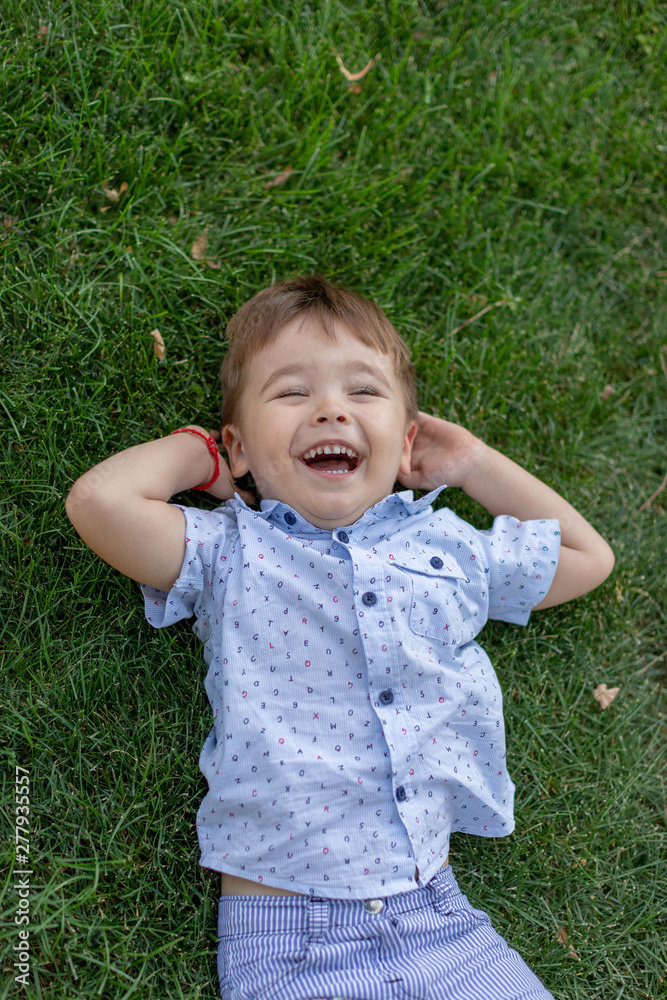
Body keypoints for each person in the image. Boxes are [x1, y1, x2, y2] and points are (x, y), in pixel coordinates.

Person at [66, 275, 614, 1000]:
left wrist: (474, 465)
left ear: (407, 440)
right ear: (241, 448)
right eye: (291, 393)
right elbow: (98, 502)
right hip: (291, 938)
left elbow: (587, 559)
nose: (330, 409)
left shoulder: (447, 548)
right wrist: (200, 455)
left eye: (363, 393)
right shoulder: (229, 551)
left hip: (445, 922)